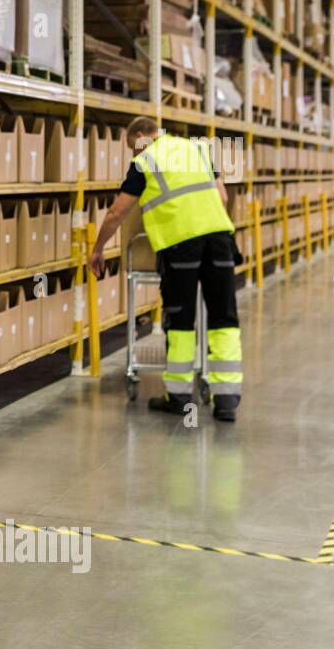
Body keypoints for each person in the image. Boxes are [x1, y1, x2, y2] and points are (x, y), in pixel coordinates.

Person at [88, 116, 243, 422]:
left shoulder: (145, 161)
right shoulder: (197, 150)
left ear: (143, 135)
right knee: (223, 315)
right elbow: (222, 196)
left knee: (181, 317)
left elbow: (117, 211)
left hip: (180, 245)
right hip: (220, 239)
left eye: (133, 146)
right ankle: (226, 400)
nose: (133, 153)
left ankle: (180, 396)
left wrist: (97, 249)